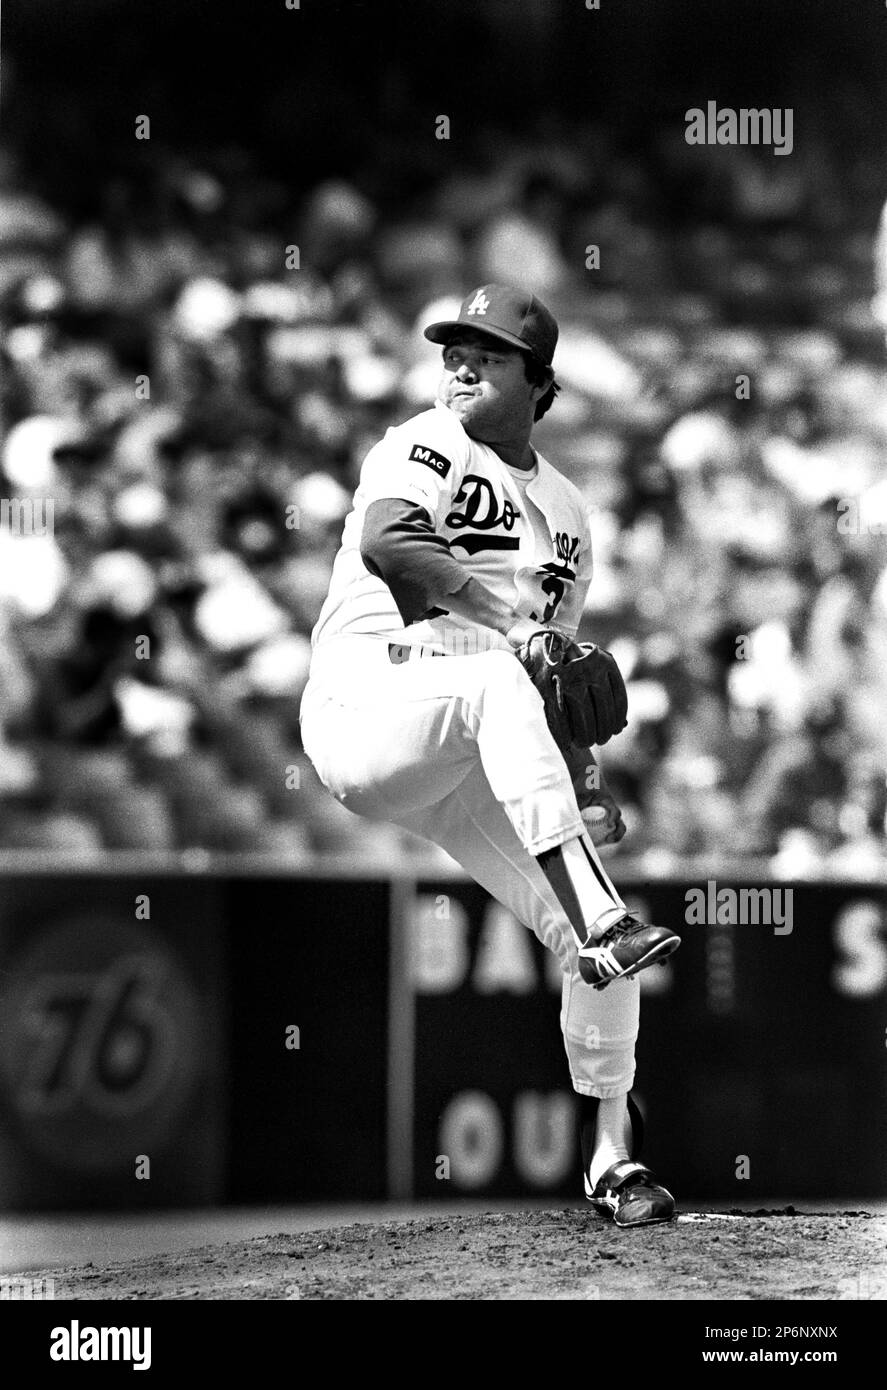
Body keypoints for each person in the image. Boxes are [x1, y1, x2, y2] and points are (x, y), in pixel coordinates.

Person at [300, 284, 681, 1225]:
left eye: (488, 353)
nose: (460, 364)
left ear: (540, 385)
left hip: (474, 741)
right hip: (367, 704)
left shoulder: (569, 518)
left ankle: (610, 1159)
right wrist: (515, 628)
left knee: (597, 940)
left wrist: (583, 784)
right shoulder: (423, 441)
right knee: (497, 675)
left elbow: (555, 680)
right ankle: (597, 915)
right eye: (454, 349)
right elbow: (393, 541)